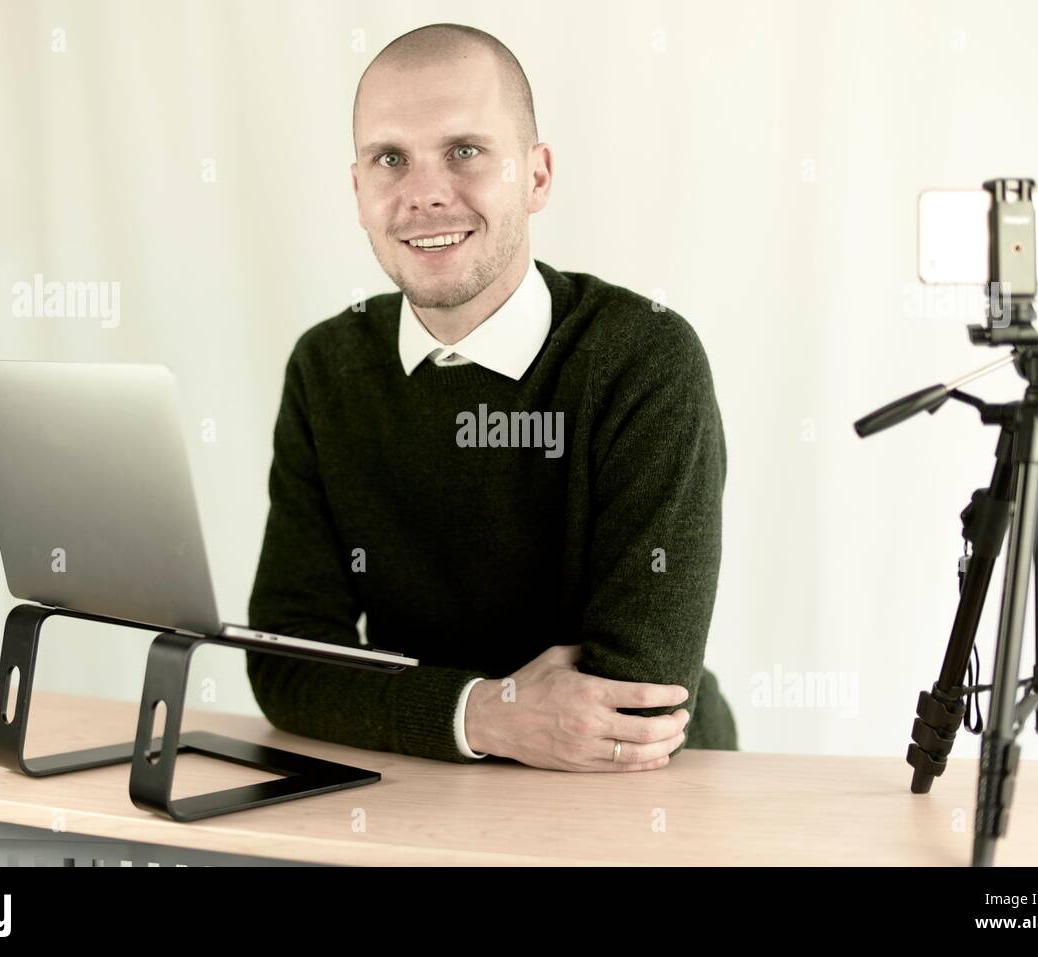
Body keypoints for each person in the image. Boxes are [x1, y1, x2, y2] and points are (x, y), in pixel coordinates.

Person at [246, 22, 736, 771]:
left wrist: (400, 705)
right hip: (417, 786)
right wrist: (482, 712)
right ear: (358, 190)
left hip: (641, 799)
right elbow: (286, 663)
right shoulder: (327, 367)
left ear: (537, 176)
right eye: (390, 159)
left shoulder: (644, 359)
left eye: (465, 152)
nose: (425, 194)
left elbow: (634, 701)